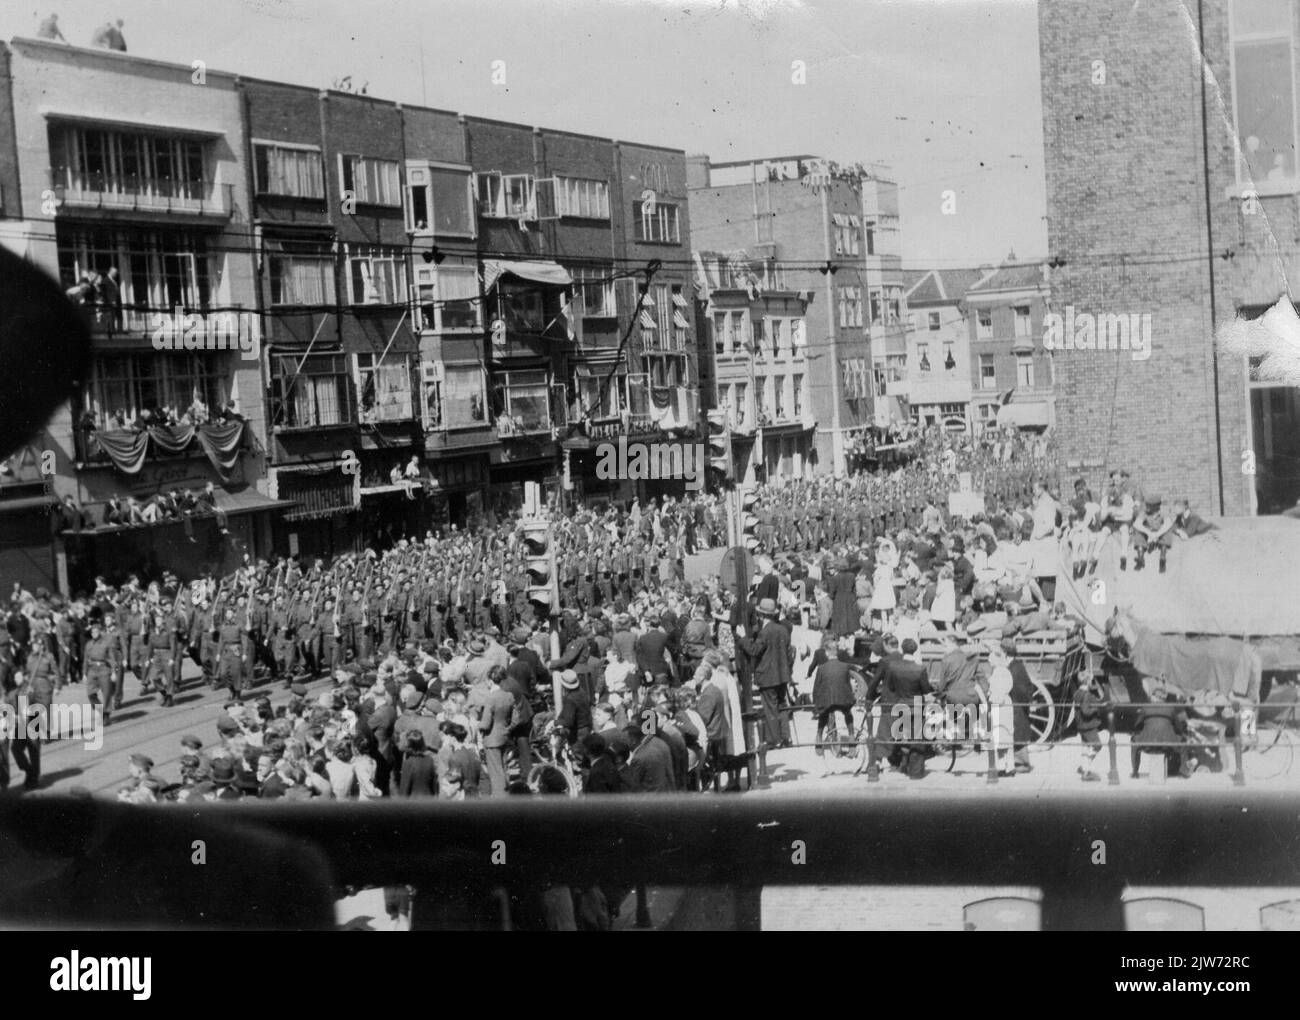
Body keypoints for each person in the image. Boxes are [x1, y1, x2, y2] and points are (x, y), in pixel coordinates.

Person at [736, 597, 792, 749]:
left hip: (767, 676)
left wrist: (742, 638)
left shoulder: (764, 633)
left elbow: (754, 650)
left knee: (770, 709)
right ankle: (786, 737)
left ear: (761, 615)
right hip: (782, 674)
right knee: (782, 706)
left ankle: (775, 739)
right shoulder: (783, 629)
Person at [811, 634, 855, 775]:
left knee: (823, 714)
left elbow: (816, 688)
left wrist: (816, 704)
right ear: (836, 652)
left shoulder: (822, 668)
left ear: (826, 652)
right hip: (843, 699)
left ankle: (819, 736)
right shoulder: (844, 666)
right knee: (848, 714)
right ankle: (852, 736)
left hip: (828, 700)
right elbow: (847, 684)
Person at [1132, 688, 1192, 779]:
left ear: (1156, 697)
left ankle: (1135, 772)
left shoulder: (1145, 708)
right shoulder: (1170, 708)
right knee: (1183, 743)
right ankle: (1183, 772)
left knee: (1134, 742)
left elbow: (1137, 724)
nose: (1150, 697)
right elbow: (1178, 726)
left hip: (1147, 743)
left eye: (1152, 695)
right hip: (1168, 744)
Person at [1073, 670, 1110, 782]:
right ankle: (1086, 772)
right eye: (1091, 681)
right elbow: (1086, 711)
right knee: (1097, 746)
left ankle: (1084, 767)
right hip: (1088, 725)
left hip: (1081, 725)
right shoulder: (1087, 695)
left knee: (1085, 747)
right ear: (1088, 682)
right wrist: (1098, 708)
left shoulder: (1077, 693)